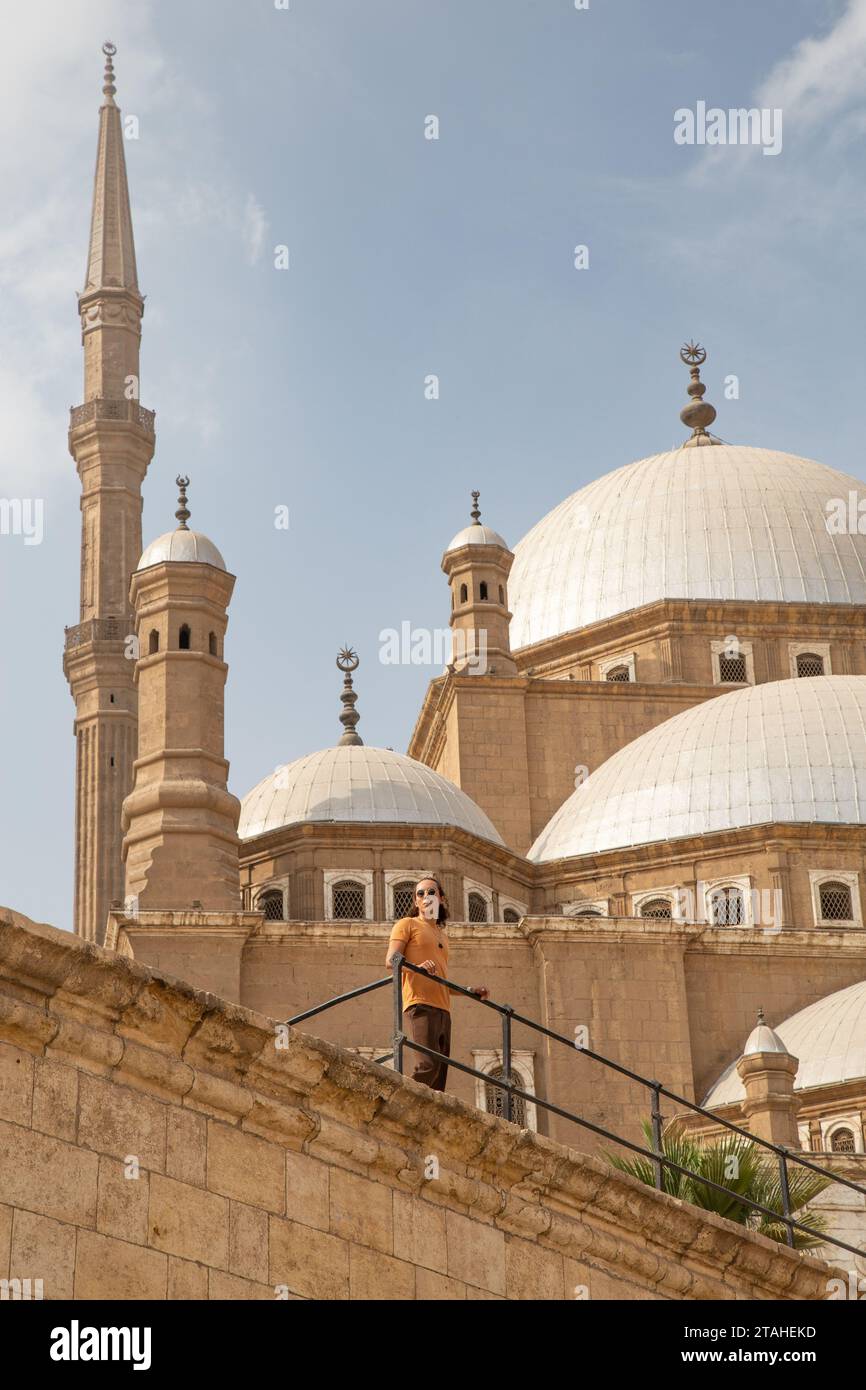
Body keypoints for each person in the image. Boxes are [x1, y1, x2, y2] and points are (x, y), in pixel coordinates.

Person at [385, 875, 489, 1091]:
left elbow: (441, 980)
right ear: (415, 902)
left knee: (439, 1079)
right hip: (420, 1004)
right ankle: (400, 1098)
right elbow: (391, 961)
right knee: (428, 1065)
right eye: (420, 893)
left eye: (431, 892)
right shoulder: (407, 924)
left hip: (443, 1010)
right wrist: (417, 968)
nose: (425, 897)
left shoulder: (442, 936)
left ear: (441, 898)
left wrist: (470, 991)